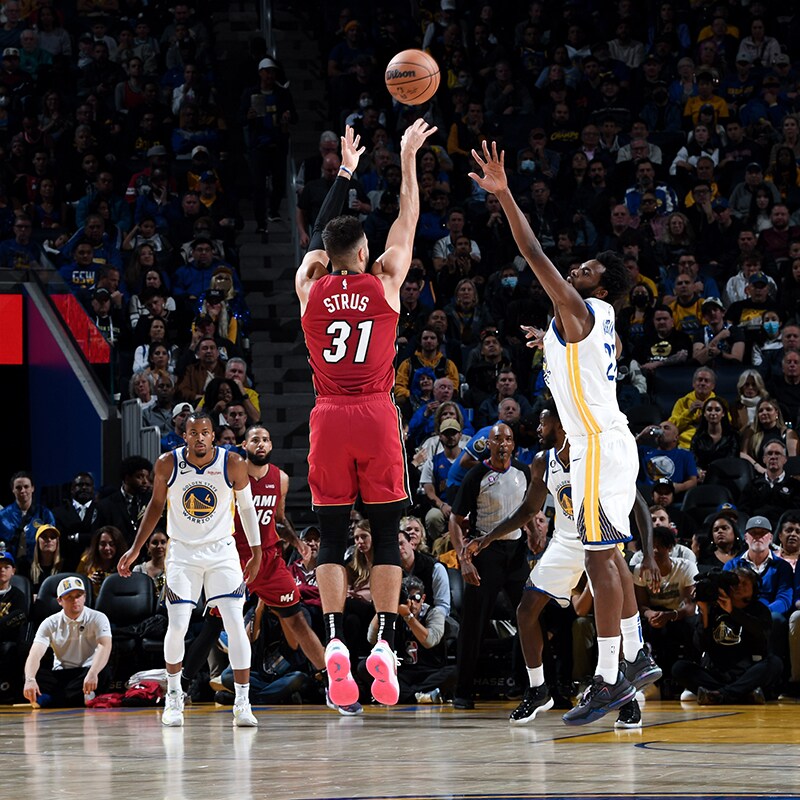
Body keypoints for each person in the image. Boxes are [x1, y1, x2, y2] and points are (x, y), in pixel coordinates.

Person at [469, 139, 654, 725]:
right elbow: (600, 355)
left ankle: (607, 679)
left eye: (589, 269)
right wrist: (547, 345)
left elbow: (530, 250)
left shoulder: (579, 309)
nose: (578, 268)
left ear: (601, 286)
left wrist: (504, 195)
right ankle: (637, 652)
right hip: (616, 442)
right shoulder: (598, 324)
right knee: (612, 557)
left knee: (602, 560)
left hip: (598, 445)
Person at [294, 121, 436, 708]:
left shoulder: (309, 284)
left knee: (329, 536)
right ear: (365, 252)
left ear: (330, 256)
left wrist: (345, 171)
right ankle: (387, 638)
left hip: (329, 414)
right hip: (376, 414)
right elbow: (409, 217)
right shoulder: (387, 282)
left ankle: (332, 638)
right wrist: (406, 158)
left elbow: (314, 245)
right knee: (383, 534)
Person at [466, 402, 659, 726]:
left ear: (560, 423)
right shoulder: (543, 462)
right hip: (565, 541)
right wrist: (487, 538)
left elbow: (637, 503)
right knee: (526, 610)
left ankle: (626, 696)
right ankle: (539, 689)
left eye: (543, 423)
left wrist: (649, 554)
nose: (538, 429)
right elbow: (528, 510)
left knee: (610, 614)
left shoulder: (594, 454)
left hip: (600, 538)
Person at [117, 410, 263, 728]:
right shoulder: (167, 463)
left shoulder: (233, 463)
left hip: (222, 553)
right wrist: (135, 547)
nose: (199, 437)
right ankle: (174, 697)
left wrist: (256, 549)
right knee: (178, 624)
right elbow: (156, 506)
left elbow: (247, 507)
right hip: (182, 554)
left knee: (236, 624)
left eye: (205, 432)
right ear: (185, 436)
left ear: (213, 435)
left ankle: (242, 701)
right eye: (193, 432)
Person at [234, 425, 339, 711]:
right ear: (244, 444)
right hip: (233, 558)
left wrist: (296, 541)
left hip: (268, 559)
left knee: (297, 621)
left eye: (266, 440)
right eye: (255, 439)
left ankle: (331, 684)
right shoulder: (233, 474)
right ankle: (183, 685)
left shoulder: (279, 478)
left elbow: (278, 519)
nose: (261, 444)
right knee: (213, 626)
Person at [448, 422, 530, 709]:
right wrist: (463, 558)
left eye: (508, 438)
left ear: (514, 444)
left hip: (517, 553)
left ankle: (526, 685)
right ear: (489, 444)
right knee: (474, 624)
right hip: (486, 552)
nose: (504, 443)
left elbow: (527, 511)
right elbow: (455, 520)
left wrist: (534, 533)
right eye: (498, 439)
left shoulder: (524, 472)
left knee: (528, 618)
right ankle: (463, 690)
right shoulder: (477, 475)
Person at [672, 565, 783, 705]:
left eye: (744, 583)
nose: (738, 586)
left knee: (775, 663)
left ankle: (720, 694)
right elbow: (700, 646)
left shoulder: (759, 609)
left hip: (747, 673)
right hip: (718, 673)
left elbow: (761, 635)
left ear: (753, 588)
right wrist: (704, 613)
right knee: (679, 668)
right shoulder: (713, 609)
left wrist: (732, 611)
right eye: (735, 583)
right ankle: (741, 694)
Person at [23, 576, 112, 708]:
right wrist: (30, 680)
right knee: (31, 674)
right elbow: (35, 653)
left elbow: (105, 646)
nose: (75, 600)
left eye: (79, 595)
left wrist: (93, 673)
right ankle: (78, 698)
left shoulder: (98, 617)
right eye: (69, 597)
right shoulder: (50, 622)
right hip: (61, 673)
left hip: (87, 672)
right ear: (60, 601)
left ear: (85, 597)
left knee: (104, 671)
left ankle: (53, 700)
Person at [0, 471, 56, 578]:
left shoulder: (44, 514)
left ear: (33, 488)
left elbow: (53, 541)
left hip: (38, 567)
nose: (23, 490)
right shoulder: (2, 516)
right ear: (13, 489)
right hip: (10, 568)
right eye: (18, 487)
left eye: (26, 486)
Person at [77, 525, 127, 595]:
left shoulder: (125, 562)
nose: (107, 548)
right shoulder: (87, 560)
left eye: (111, 544)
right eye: (103, 544)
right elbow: (77, 582)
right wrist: (88, 582)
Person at [132, 529, 168, 600]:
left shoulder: (173, 569)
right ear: (147, 546)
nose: (159, 546)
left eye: (163, 542)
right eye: (155, 543)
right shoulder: (139, 570)